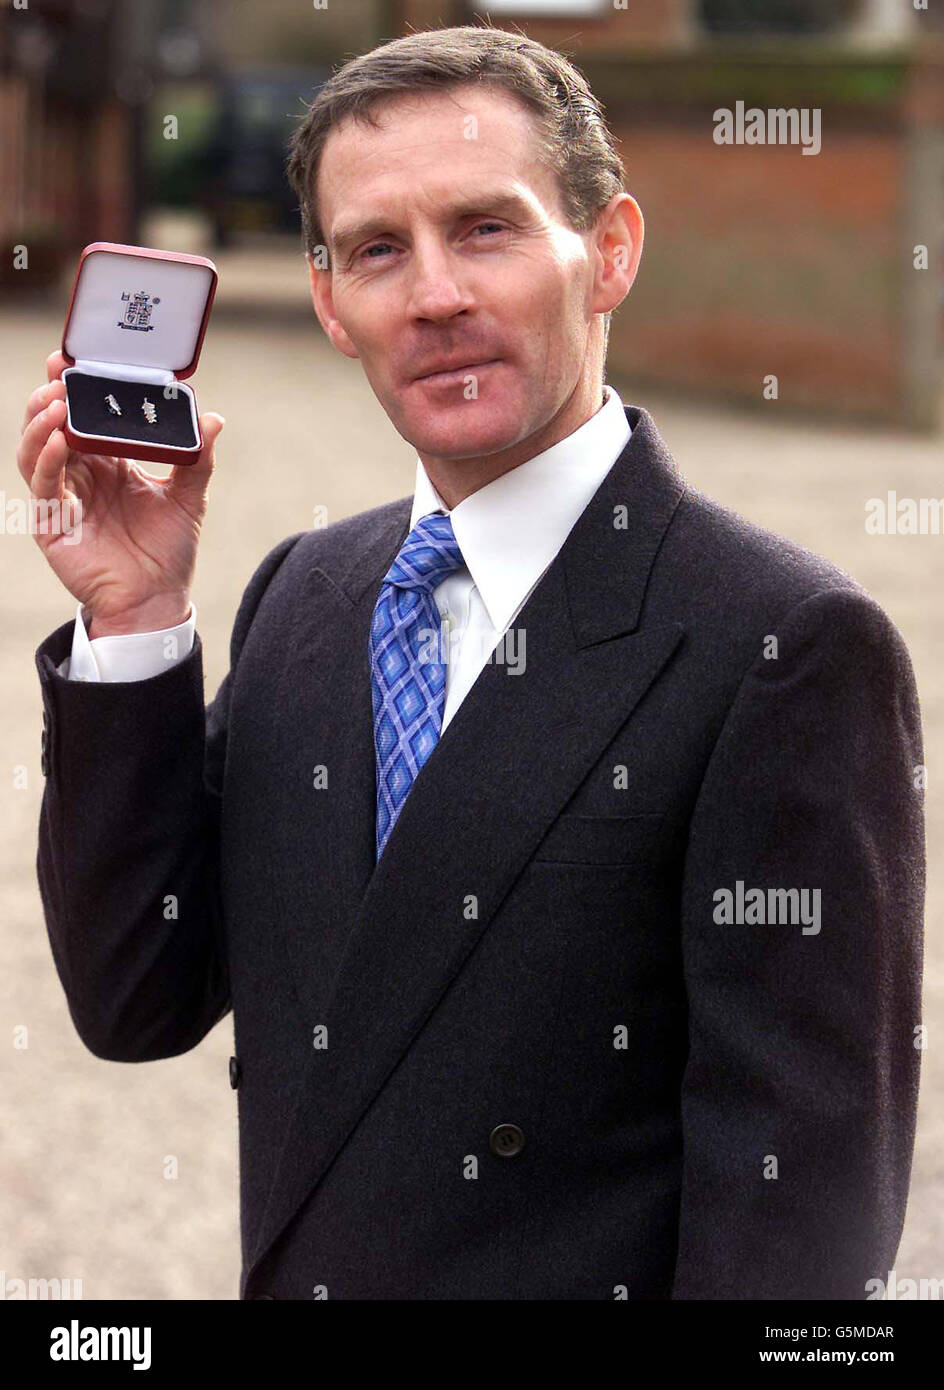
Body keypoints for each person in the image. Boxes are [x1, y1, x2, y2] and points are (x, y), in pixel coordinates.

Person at [20, 25, 923, 1300]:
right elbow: (135, 1000)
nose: (434, 293)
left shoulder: (780, 646)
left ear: (607, 253)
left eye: (485, 229)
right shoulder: (304, 595)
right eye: (379, 249)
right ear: (329, 302)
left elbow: (799, 1216)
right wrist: (135, 614)